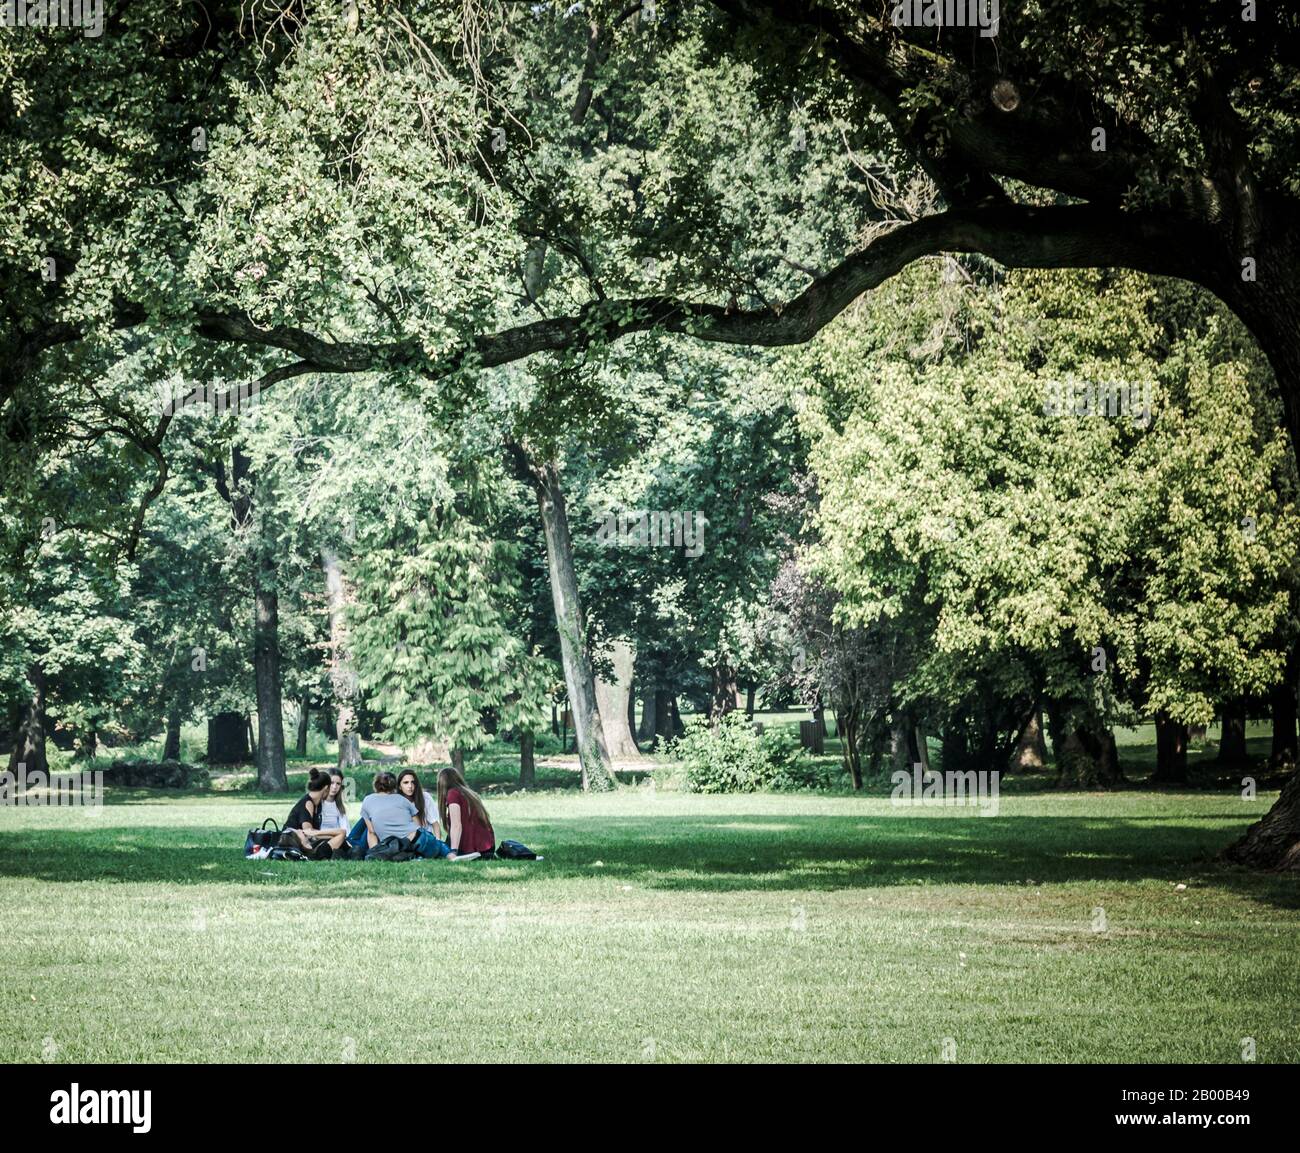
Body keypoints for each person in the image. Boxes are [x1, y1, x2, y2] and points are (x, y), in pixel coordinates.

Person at [357, 771, 479, 861]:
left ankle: (414, 857)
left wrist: (376, 849)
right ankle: (451, 856)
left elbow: (372, 831)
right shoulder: (402, 800)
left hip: (390, 845)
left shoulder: (367, 800)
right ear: (395, 786)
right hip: (412, 839)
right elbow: (418, 826)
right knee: (435, 843)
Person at [283, 769, 348, 858]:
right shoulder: (308, 803)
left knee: (341, 837)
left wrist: (332, 836)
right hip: (297, 844)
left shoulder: (316, 804)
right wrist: (333, 835)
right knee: (341, 833)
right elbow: (309, 833)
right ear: (326, 788)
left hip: (308, 843)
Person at [437, 766, 495, 858]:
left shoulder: (453, 794)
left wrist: (453, 851)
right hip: (487, 847)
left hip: (471, 848)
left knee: (439, 849)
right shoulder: (469, 793)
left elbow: (456, 825)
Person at [396, 769, 442, 840]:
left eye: (413, 782)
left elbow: (435, 824)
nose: (410, 786)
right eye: (406, 782)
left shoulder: (425, 797)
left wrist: (438, 844)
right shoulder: (397, 802)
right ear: (399, 786)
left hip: (426, 841)